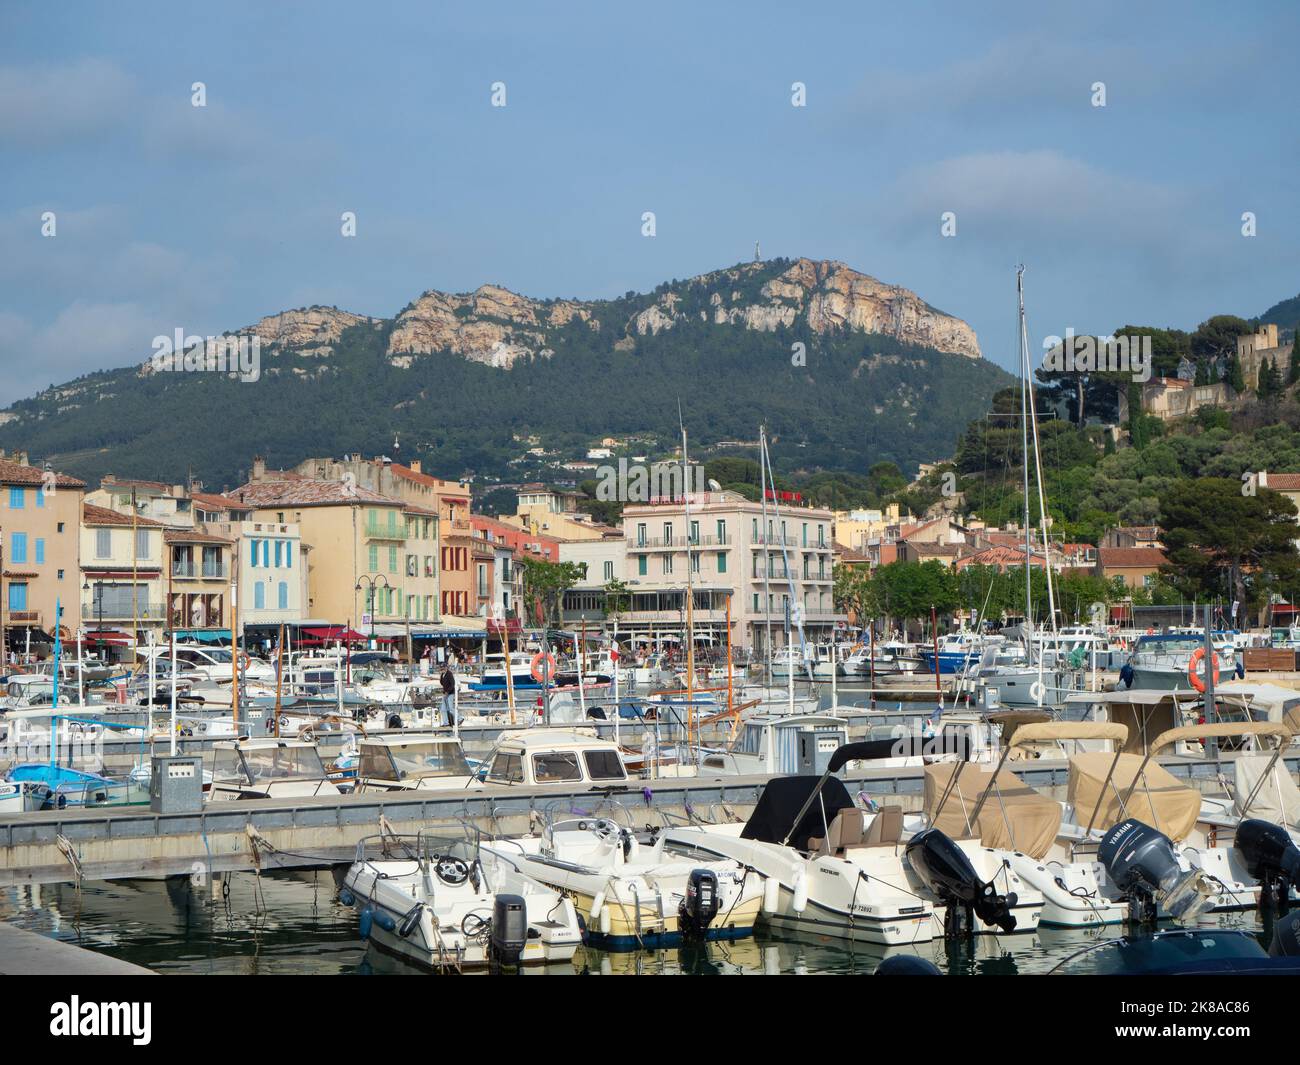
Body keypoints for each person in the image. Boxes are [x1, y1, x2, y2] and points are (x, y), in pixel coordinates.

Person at [439, 661, 456, 726]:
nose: (442, 669)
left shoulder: (449, 674)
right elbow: (441, 683)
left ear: (446, 667)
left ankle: (459, 718)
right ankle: (446, 723)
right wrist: (441, 675)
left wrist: (448, 692)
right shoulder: (443, 674)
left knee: (450, 708)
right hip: (445, 693)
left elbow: (452, 684)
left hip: (450, 693)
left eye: (443, 668)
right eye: (441, 668)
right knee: (443, 709)